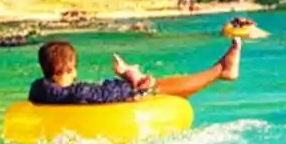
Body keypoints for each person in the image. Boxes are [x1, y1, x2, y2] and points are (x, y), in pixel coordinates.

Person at [28, 38, 242, 105]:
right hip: (126, 100)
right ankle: (221, 69)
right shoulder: (77, 93)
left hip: (110, 96)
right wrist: (135, 85)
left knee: (152, 84)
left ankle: (222, 70)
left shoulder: (39, 90)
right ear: (69, 67)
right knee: (159, 87)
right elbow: (103, 96)